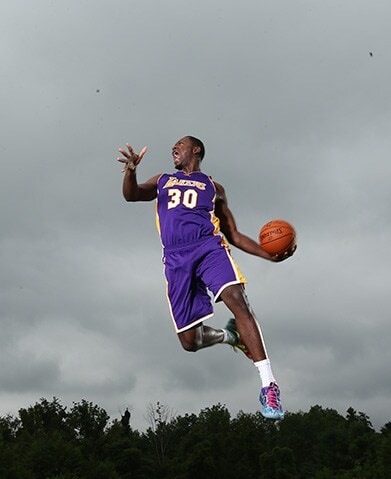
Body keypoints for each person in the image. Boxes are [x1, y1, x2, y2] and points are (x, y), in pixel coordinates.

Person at [118, 136, 295, 420]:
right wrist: (131, 171)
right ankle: (230, 336)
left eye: (180, 144)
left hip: (209, 247)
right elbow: (132, 194)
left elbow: (233, 235)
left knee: (238, 300)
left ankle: (269, 385)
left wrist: (267, 254)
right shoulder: (164, 180)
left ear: (196, 149)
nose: (173, 148)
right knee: (189, 341)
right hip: (176, 259)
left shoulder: (214, 188)